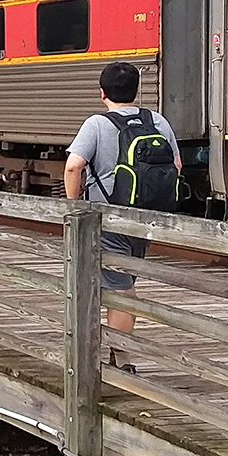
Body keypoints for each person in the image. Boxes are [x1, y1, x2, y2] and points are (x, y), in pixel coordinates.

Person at [63, 61, 182, 373]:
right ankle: (120, 354)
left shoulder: (97, 124)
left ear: (102, 92)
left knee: (120, 290)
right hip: (142, 220)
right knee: (124, 280)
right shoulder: (157, 121)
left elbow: (74, 166)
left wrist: (73, 206)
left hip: (108, 220)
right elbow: (177, 167)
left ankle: (123, 359)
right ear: (136, 90)